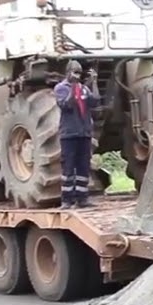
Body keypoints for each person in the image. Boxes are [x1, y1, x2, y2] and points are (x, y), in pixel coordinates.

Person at [53, 61, 100, 208]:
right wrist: (74, 87)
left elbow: (95, 101)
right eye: (75, 72)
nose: (77, 76)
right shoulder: (61, 88)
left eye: (79, 73)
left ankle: (82, 199)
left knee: (83, 167)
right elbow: (67, 104)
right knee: (68, 167)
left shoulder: (84, 88)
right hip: (69, 134)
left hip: (84, 133)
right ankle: (67, 200)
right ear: (68, 72)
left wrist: (94, 83)